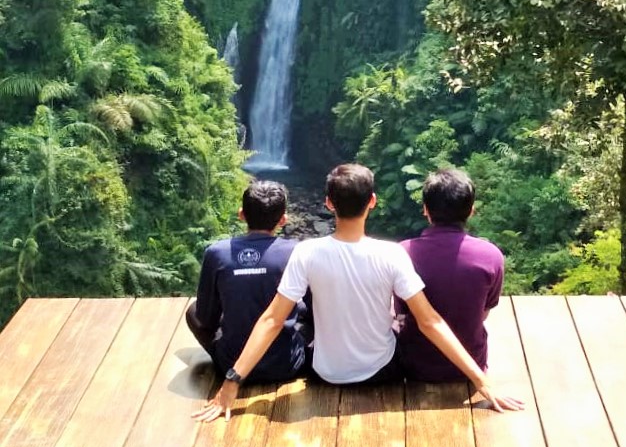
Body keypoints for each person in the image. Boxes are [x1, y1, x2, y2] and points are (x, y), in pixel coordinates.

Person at [193, 164, 523, 422]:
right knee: (394, 319)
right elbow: (430, 322)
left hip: (326, 374)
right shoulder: (392, 254)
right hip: (383, 372)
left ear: (328, 203)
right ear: (372, 202)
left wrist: (232, 381)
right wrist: (482, 381)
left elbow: (271, 320)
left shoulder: (306, 253)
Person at [186, 180, 308, 383]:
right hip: (286, 365)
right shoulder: (297, 251)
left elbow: (206, 319)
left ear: (241, 214)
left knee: (193, 311)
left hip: (230, 364)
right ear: (283, 220)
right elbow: (313, 308)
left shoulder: (217, 252)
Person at [396, 168, 504, 382]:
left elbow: (402, 312)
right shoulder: (491, 256)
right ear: (471, 210)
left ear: (425, 209)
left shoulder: (402, 253)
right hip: (471, 364)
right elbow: (483, 313)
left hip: (416, 364)